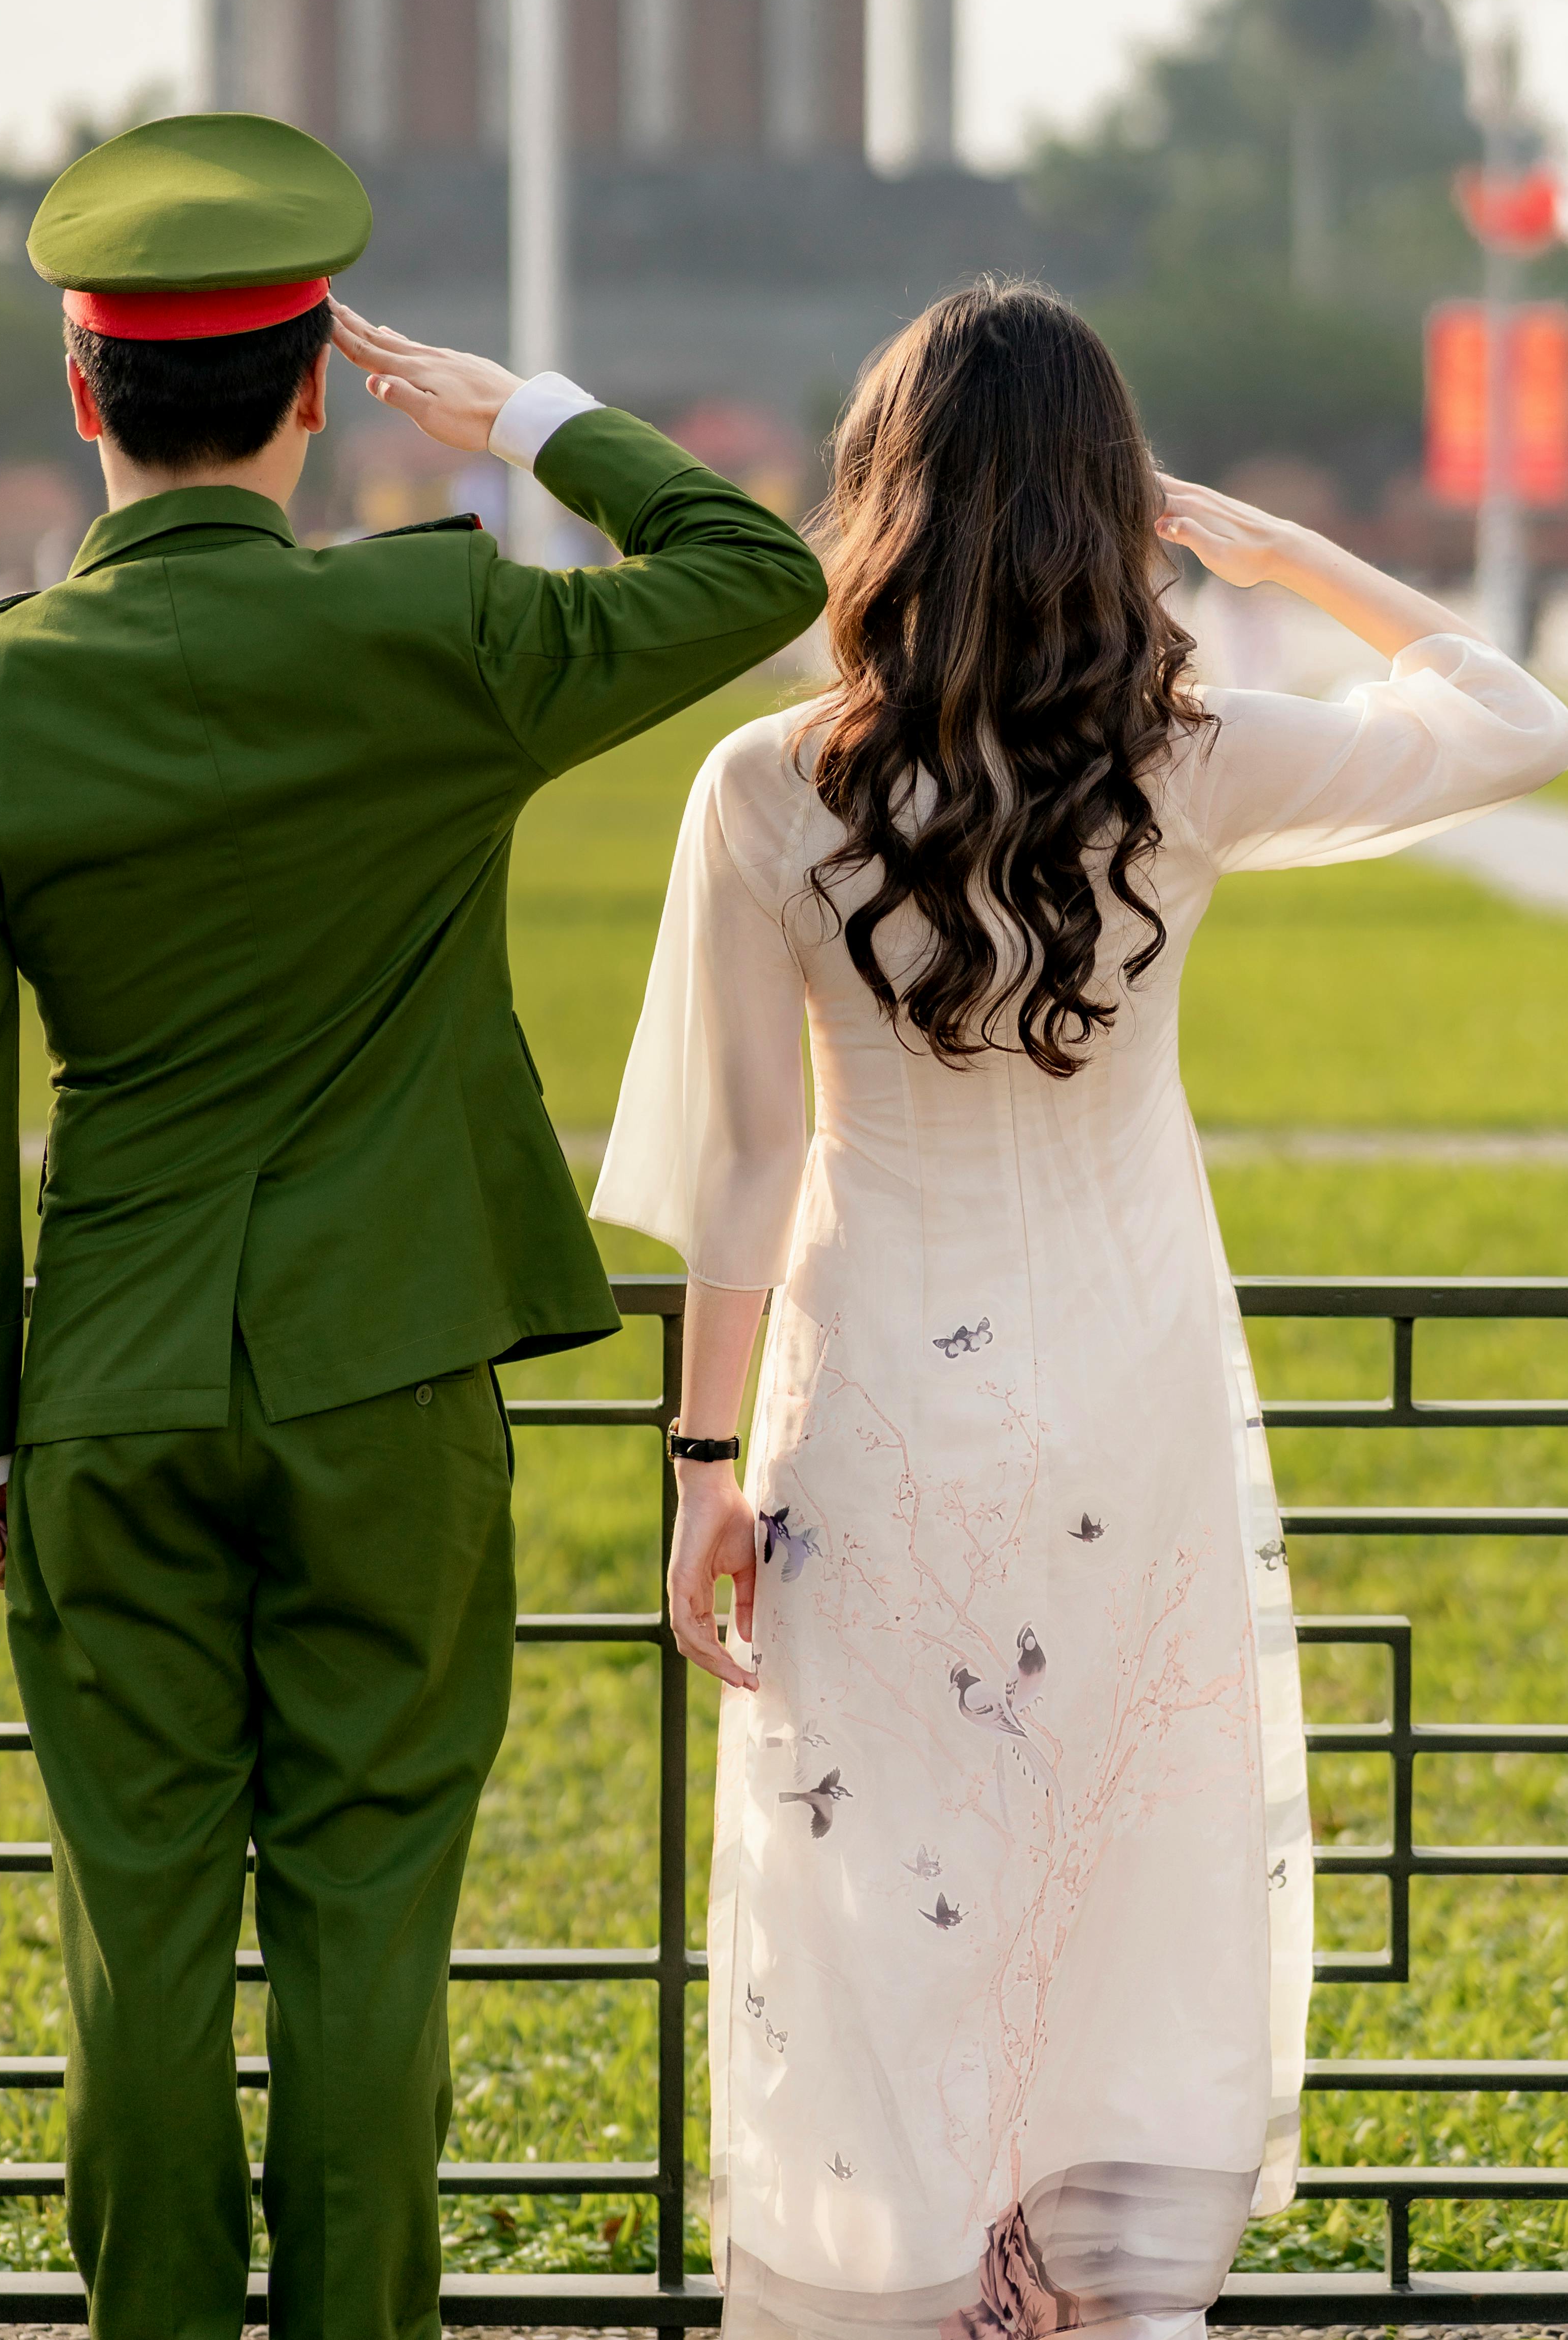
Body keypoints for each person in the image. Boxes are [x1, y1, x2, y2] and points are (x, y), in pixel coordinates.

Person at [0, 109, 826, 2340]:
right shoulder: (436, 627)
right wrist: (530, 421)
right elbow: (753, 575)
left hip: (105, 1387)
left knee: (140, 1939)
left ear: (82, 396)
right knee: (375, 1927)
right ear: (315, 395)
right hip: (393, 1377)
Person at [592, 277, 1568, 2340]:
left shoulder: (765, 789)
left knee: (881, 1881)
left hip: (865, 1407)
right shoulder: (1185, 764)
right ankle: (1080, 2299)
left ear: (880, 500)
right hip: (1122, 1416)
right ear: (1107, 511)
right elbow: (1516, 719)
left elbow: (747, 1173)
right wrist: (1285, 551)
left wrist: (697, 1468)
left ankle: (911, 2286)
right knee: (1109, 1865)